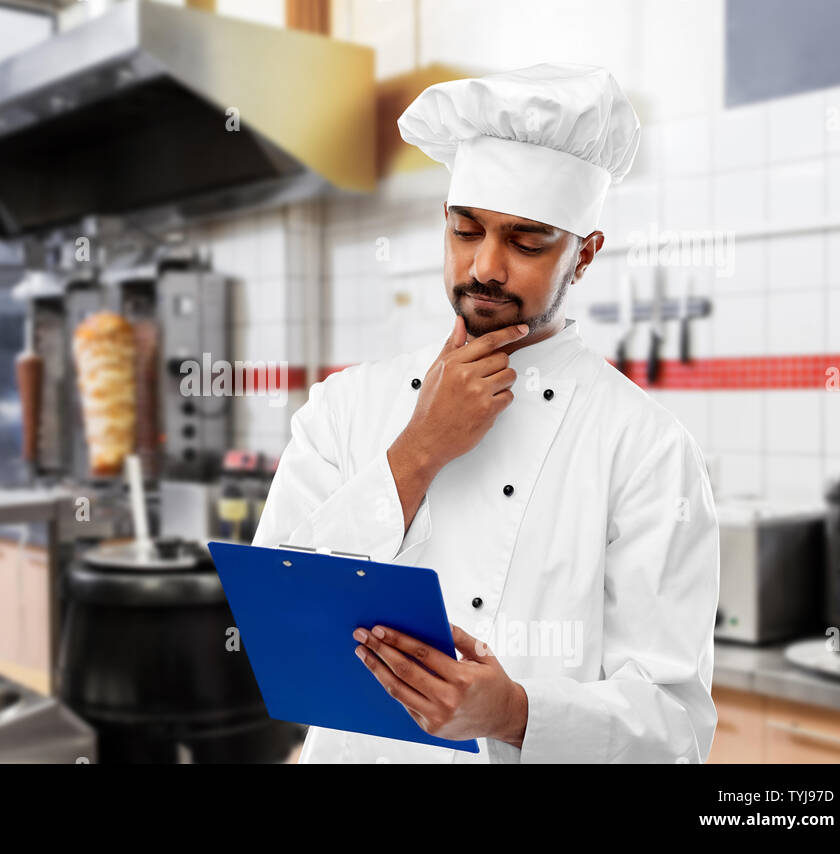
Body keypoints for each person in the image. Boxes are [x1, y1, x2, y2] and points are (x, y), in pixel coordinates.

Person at [251, 63, 719, 763]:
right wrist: (418, 451)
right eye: (467, 231)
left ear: (585, 255)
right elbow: (275, 623)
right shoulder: (346, 406)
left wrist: (517, 713)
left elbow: (677, 730)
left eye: (527, 242)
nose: (486, 268)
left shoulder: (645, 446)